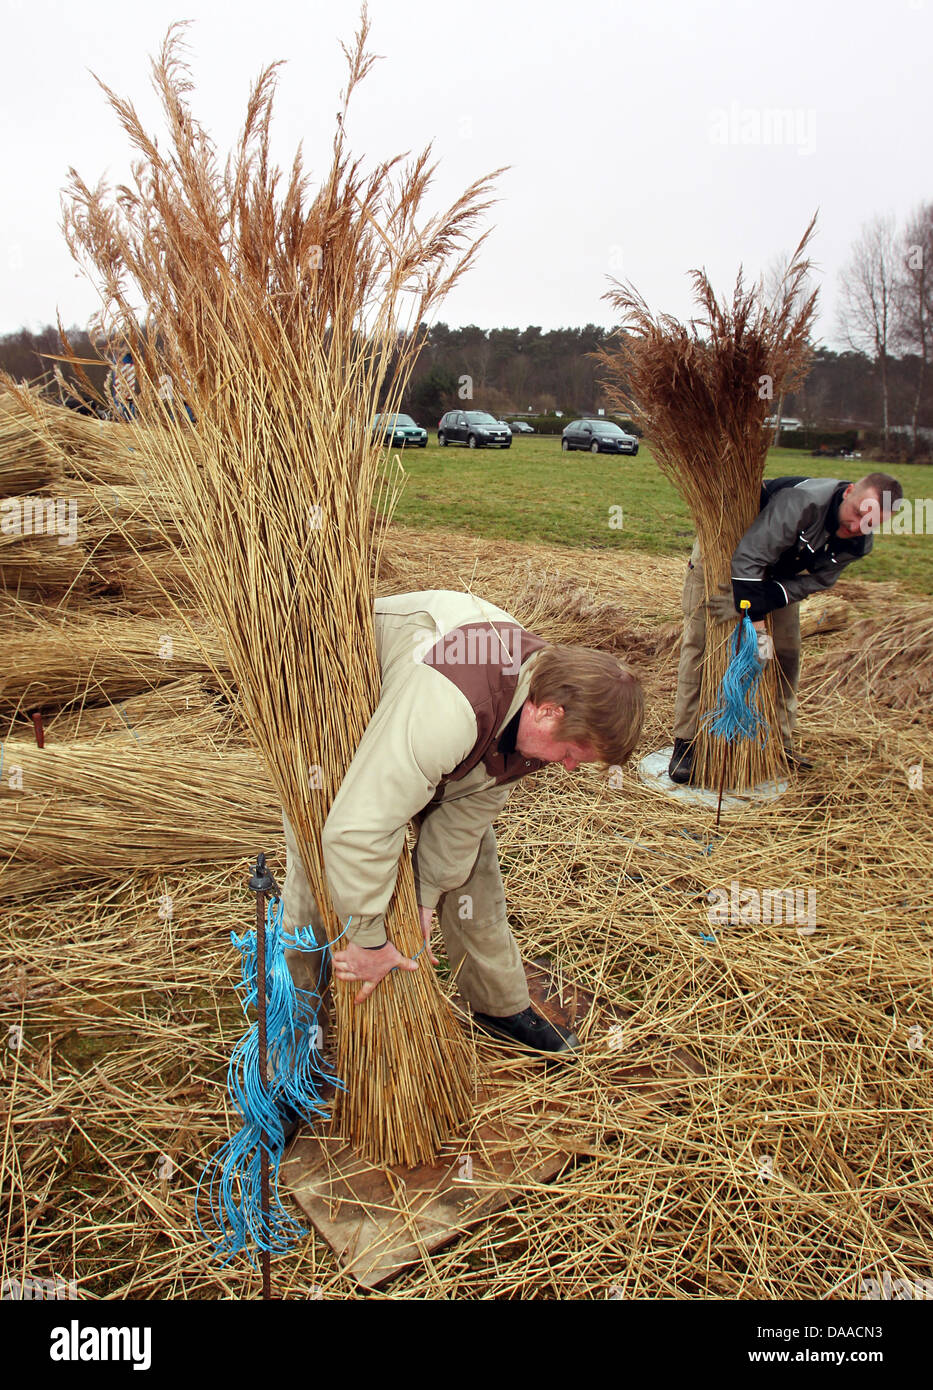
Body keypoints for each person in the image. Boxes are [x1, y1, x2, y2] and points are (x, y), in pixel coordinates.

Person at [280, 588, 644, 1056]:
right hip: (337, 720)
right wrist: (370, 940)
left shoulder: (535, 711)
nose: (570, 767)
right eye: (572, 754)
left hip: (432, 740)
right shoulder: (453, 704)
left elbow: (466, 816)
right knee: (317, 874)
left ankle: (499, 1004)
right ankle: (295, 1027)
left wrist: (425, 897)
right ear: (549, 711)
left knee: (473, 869)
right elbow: (359, 830)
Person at [668, 472, 903, 785]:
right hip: (722, 556)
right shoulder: (802, 502)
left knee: (786, 653)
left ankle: (779, 743)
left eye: (871, 522)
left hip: (775, 574)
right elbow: (749, 557)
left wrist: (765, 604)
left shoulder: (859, 543)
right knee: (700, 645)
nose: (858, 526)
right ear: (848, 493)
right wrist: (757, 625)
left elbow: (819, 580)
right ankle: (687, 743)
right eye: (859, 513)